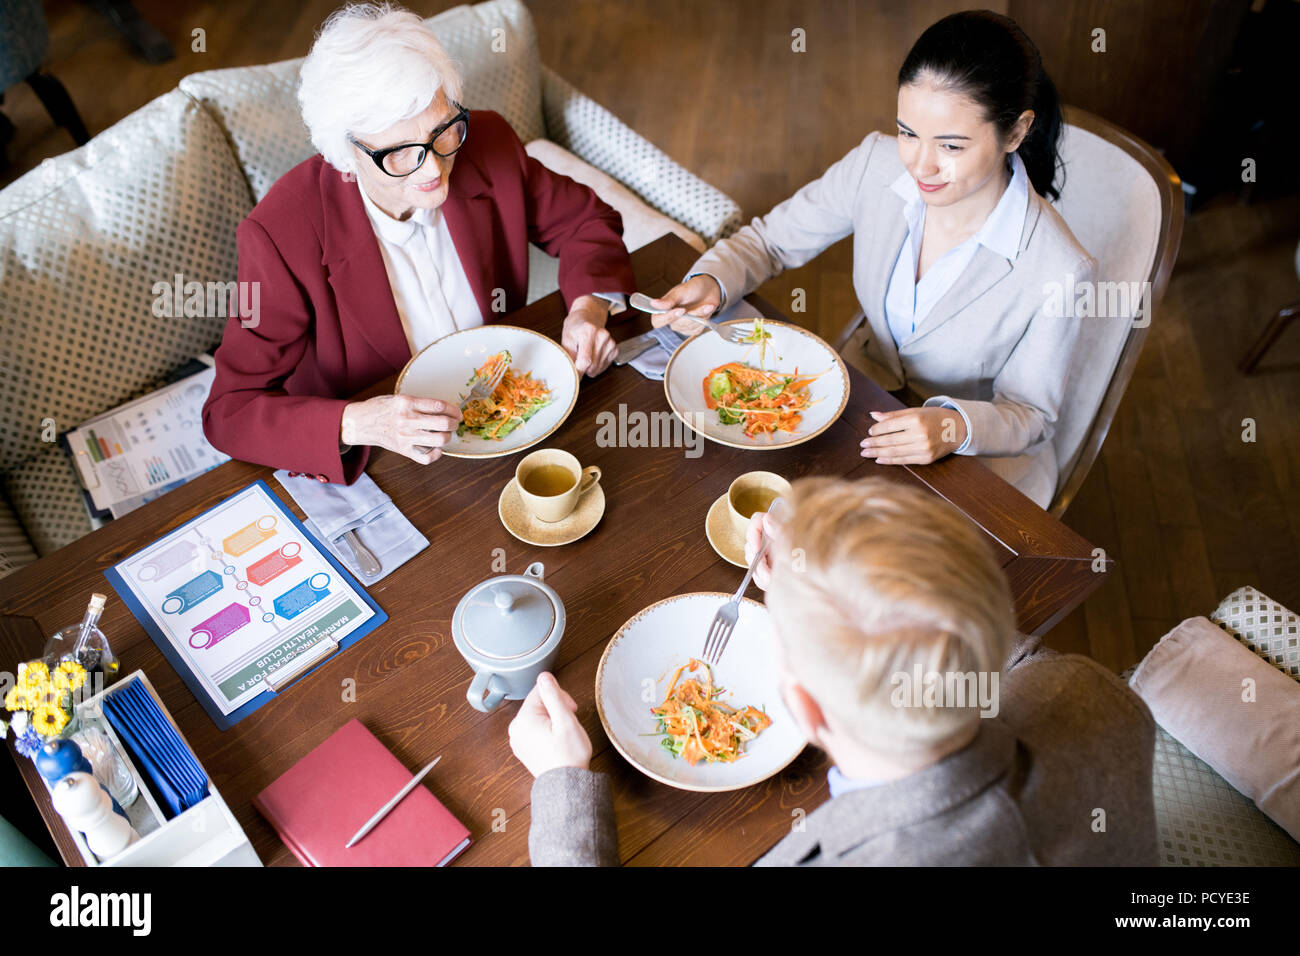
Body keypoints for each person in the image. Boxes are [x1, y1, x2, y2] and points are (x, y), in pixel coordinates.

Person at [508, 477, 1158, 866]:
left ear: (807, 711)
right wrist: (833, 591)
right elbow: (1012, 658)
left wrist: (564, 782)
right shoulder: (1095, 695)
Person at [648, 11, 1096, 509]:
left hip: (976, 463)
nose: (920, 165)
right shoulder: (874, 165)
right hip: (860, 398)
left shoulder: (1060, 270)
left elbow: (1029, 412)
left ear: (1015, 133)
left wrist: (950, 427)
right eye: (908, 132)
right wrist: (713, 279)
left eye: (950, 145)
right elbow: (771, 241)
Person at [202, 3, 636, 483]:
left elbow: (586, 223)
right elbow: (230, 410)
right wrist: (360, 421)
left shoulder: (487, 142)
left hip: (514, 425)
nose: (433, 168)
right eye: (402, 154)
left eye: (442, 132)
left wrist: (588, 308)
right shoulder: (282, 233)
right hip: (394, 464)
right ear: (346, 152)